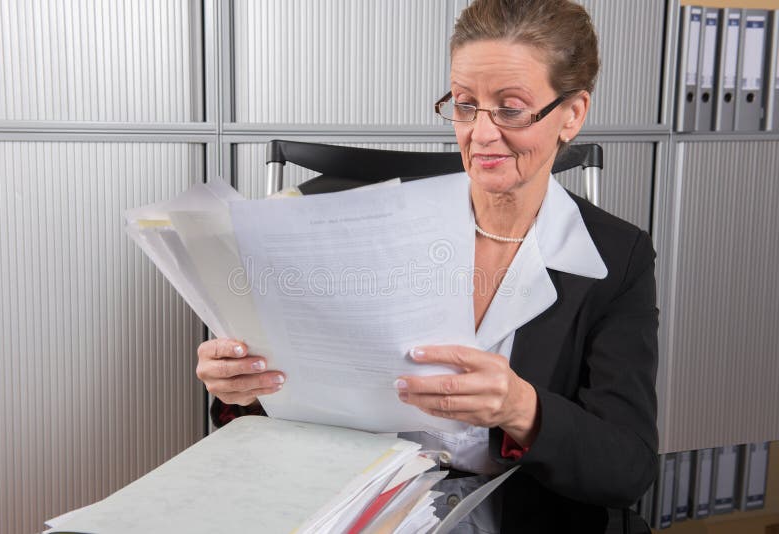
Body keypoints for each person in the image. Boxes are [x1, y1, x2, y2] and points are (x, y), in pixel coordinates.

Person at [196, 0, 658, 531]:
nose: (480, 134)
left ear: (572, 114)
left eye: (510, 109)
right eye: (465, 104)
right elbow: (304, 395)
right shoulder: (367, 222)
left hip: (516, 511)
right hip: (360, 496)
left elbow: (628, 469)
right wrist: (246, 387)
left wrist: (520, 408)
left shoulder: (616, 256)